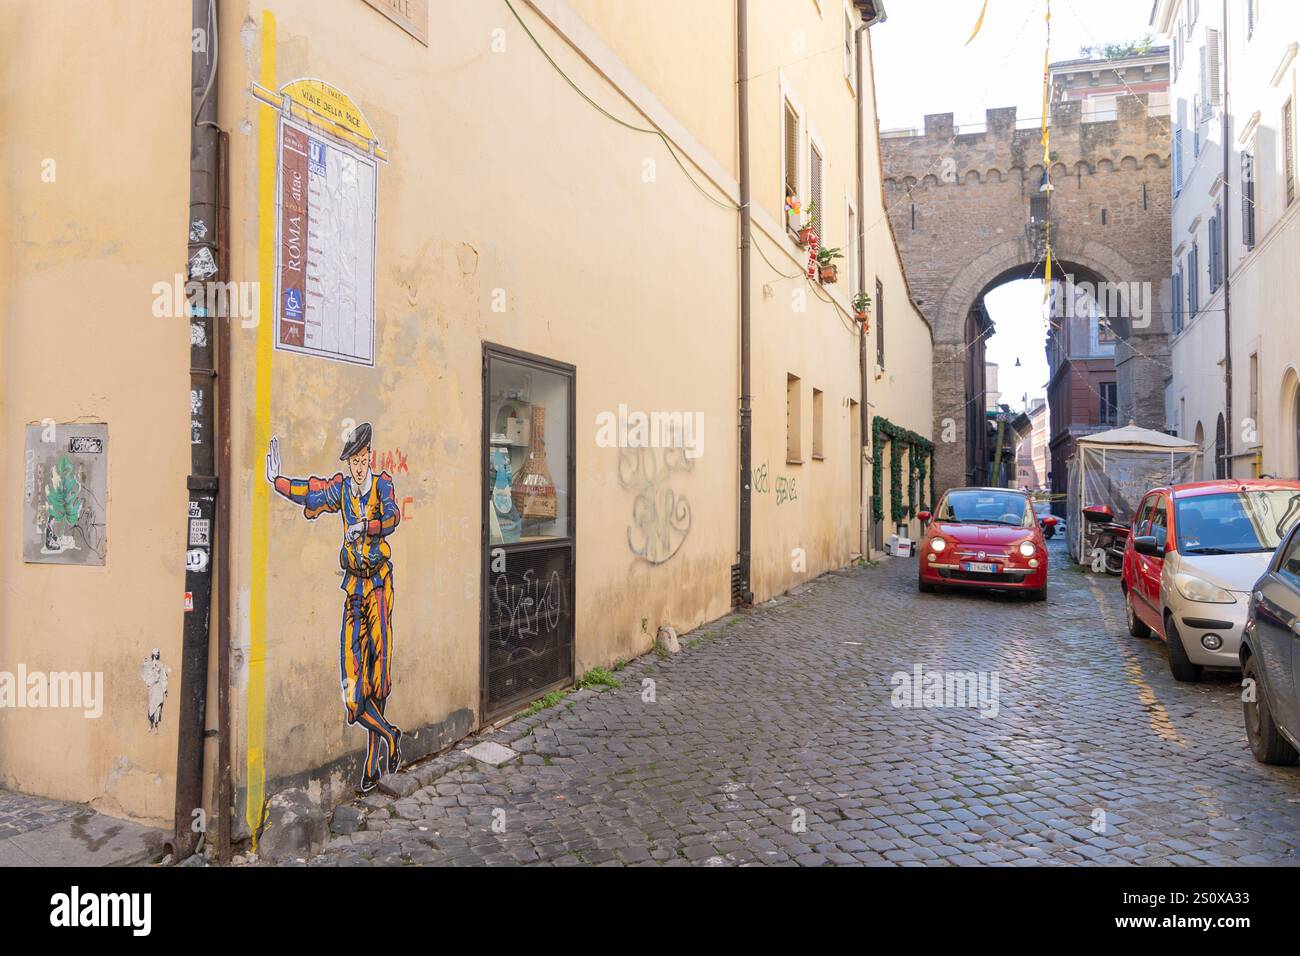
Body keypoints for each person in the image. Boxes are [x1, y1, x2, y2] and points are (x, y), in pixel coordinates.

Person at [266, 422, 403, 792]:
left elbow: (392, 516)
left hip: (379, 587)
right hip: (354, 588)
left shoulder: (382, 484)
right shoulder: (342, 489)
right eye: (353, 462)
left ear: (369, 457)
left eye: (362, 460)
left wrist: (366, 528)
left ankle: (373, 765)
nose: (359, 467)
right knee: (353, 689)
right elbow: (312, 493)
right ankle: (390, 735)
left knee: (379, 678)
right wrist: (276, 481)